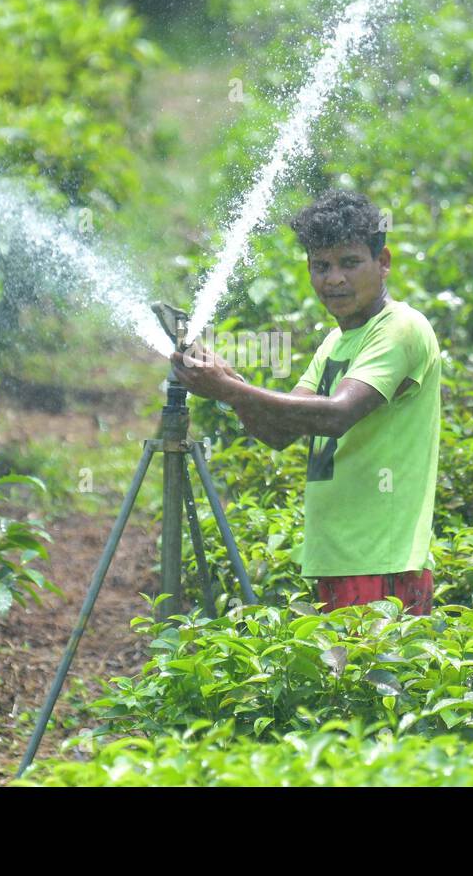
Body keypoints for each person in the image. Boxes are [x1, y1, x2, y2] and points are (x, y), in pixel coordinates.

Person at [170, 190, 442, 614]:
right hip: (335, 558)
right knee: (344, 681)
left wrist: (228, 390)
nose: (334, 279)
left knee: (379, 678)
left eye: (350, 263)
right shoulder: (336, 341)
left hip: (384, 560)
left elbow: (337, 415)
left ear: (383, 262)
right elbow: (279, 433)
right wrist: (230, 381)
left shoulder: (401, 328)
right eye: (322, 266)